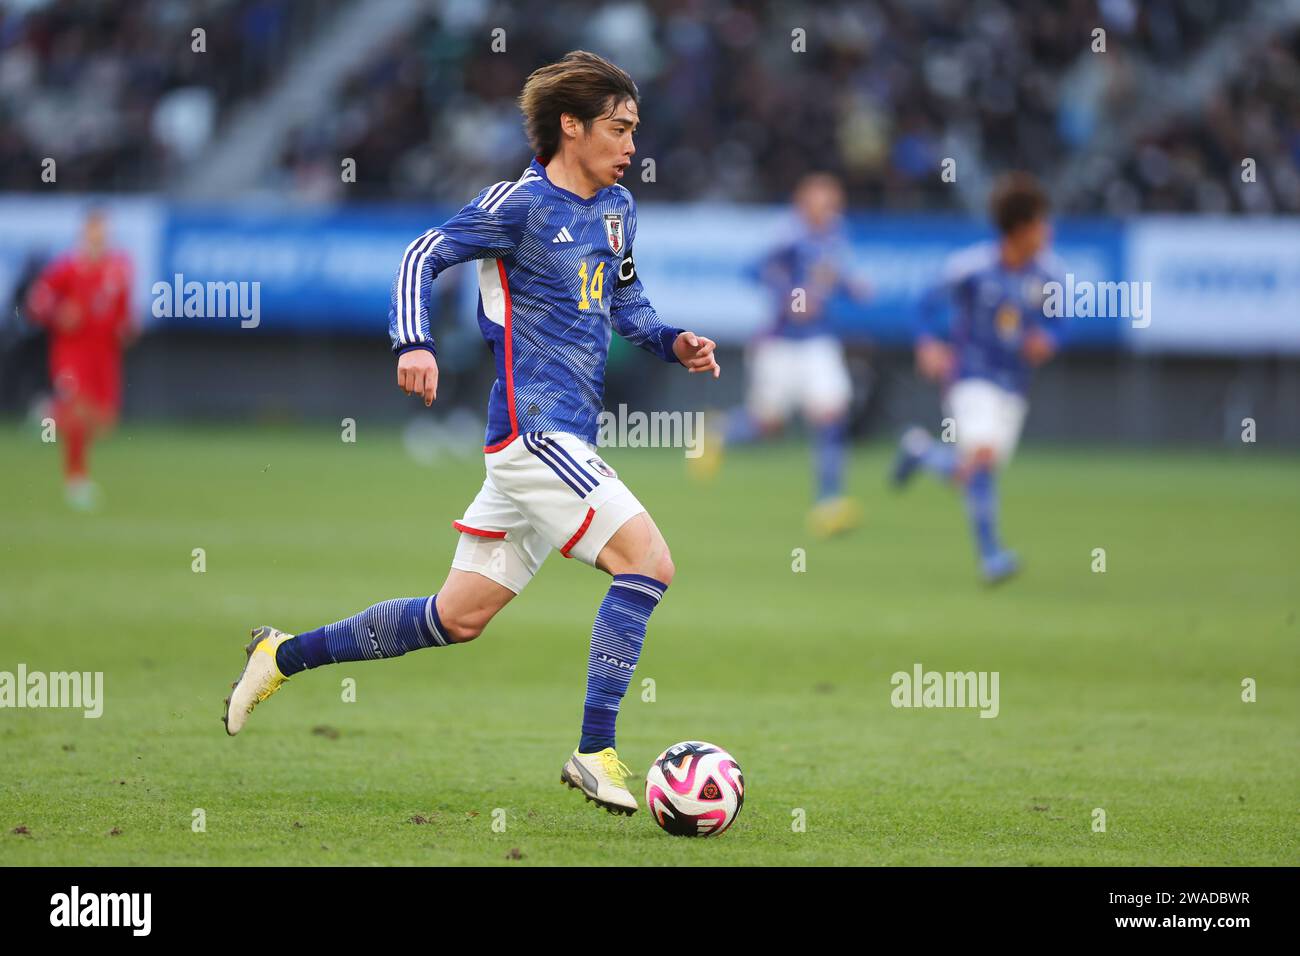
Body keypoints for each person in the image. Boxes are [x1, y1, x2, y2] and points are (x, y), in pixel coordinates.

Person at [223, 51, 721, 817]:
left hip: (551, 442)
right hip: (536, 435)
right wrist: (412, 342)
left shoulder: (618, 208)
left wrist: (673, 339)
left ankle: (280, 655)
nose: (631, 145)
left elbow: (626, 299)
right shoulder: (518, 206)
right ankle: (595, 751)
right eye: (618, 129)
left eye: (634, 130)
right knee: (648, 564)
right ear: (571, 126)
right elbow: (423, 254)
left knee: (457, 618)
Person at [891, 172, 1064, 584]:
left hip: (1014, 385)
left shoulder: (1049, 276)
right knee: (982, 457)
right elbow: (922, 305)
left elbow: (1060, 324)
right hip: (970, 376)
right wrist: (928, 343)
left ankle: (921, 453)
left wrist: (1049, 339)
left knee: (975, 469)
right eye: (1041, 222)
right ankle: (991, 556)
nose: (1048, 230)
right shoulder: (972, 268)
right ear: (1021, 228)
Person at [696, 173, 870, 537]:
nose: (829, 208)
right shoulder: (788, 235)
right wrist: (792, 298)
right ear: (803, 202)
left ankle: (829, 503)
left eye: (833, 202)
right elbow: (754, 272)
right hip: (779, 344)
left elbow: (832, 277)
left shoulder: (836, 235)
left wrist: (853, 288)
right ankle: (720, 432)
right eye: (822, 201)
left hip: (818, 342)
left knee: (831, 414)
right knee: (767, 425)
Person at [24, 210, 134, 510]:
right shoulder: (68, 269)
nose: (99, 237)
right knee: (78, 412)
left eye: (103, 231)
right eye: (93, 231)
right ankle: (76, 480)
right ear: (85, 234)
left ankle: (48, 414)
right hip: (72, 351)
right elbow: (37, 301)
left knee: (105, 423)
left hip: (104, 354)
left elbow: (123, 310)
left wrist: (125, 327)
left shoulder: (119, 268)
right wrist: (58, 313)